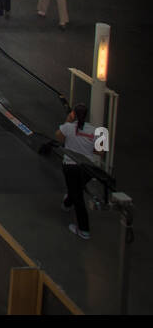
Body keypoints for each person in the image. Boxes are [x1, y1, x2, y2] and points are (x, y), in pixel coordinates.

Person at [55, 103, 96, 240]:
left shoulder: (68, 127)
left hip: (70, 166)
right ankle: (67, 204)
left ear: (73, 115)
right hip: (88, 168)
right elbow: (100, 152)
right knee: (76, 188)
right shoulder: (99, 131)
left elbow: (58, 137)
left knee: (77, 195)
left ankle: (84, 230)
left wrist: (68, 120)